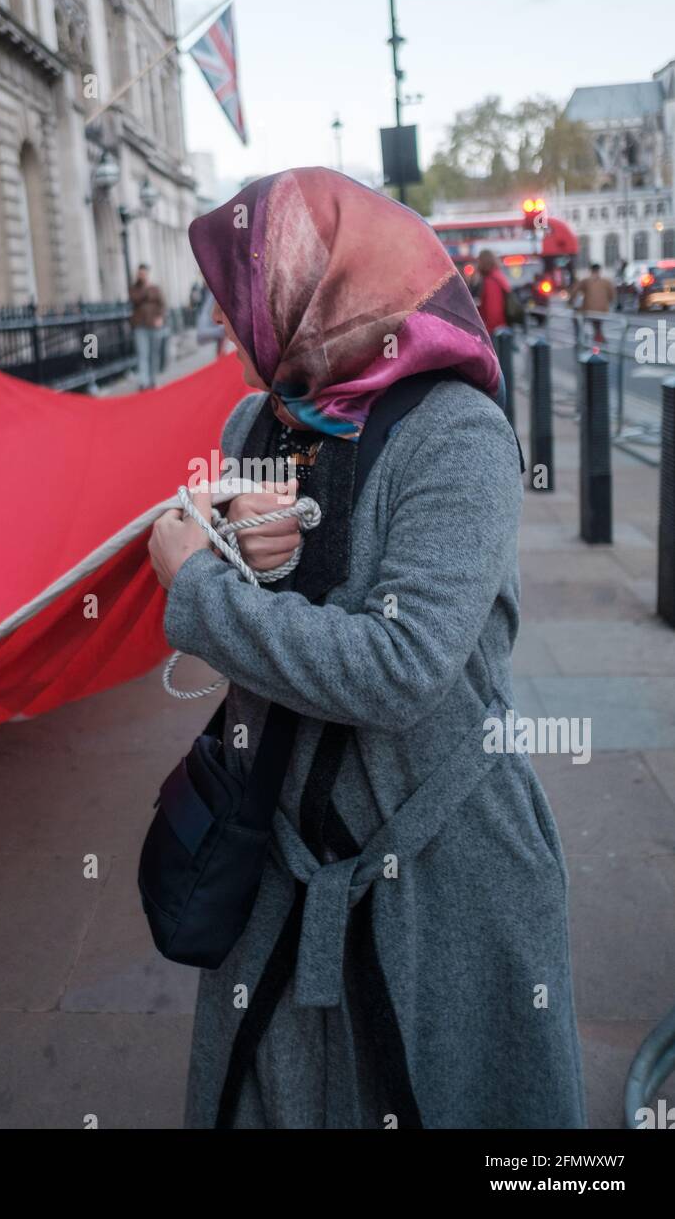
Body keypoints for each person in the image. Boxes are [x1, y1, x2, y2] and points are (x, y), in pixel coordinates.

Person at [147, 166, 587, 1130]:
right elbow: (254, 610)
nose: (228, 325)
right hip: (279, 858)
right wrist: (225, 532)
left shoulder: (459, 436)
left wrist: (198, 587)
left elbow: (400, 669)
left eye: (244, 296)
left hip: (443, 872)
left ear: (318, 290)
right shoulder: (258, 420)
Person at [129, 262, 165, 390]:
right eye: (140, 274)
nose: (142, 276)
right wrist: (146, 288)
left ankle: (152, 380)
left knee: (153, 354)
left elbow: (162, 304)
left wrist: (160, 318)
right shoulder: (134, 288)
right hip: (140, 326)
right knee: (142, 353)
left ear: (148, 274)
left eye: (144, 274)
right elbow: (135, 299)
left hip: (154, 325)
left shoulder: (155, 288)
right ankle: (143, 382)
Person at [570, 262, 615, 344]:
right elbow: (612, 296)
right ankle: (599, 338)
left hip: (589, 310)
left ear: (590, 270)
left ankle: (580, 339)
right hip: (603, 309)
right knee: (597, 325)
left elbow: (574, 292)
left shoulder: (585, 281)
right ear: (599, 271)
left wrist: (571, 302)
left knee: (576, 319)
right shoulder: (606, 282)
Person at [476, 248, 511, 335]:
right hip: (502, 327)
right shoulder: (497, 276)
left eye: (479, 261)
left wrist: (487, 331)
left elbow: (493, 312)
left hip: (496, 331)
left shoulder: (490, 281)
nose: (478, 264)